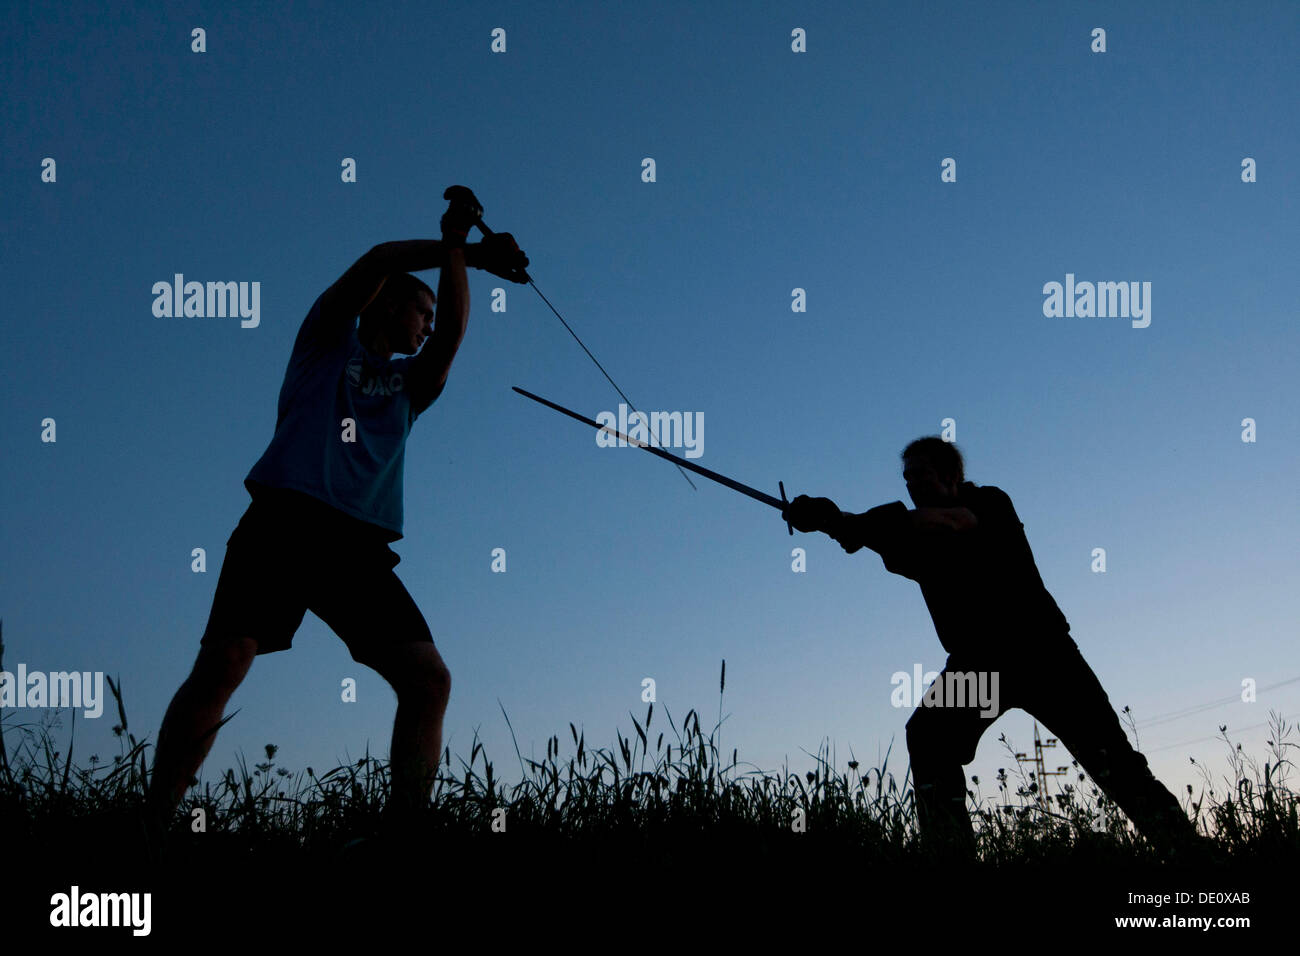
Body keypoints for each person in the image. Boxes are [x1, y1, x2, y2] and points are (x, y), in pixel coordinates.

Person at [146, 187, 528, 835]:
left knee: (428, 681)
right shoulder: (326, 341)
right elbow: (378, 256)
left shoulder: (411, 386)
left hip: (354, 550)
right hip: (282, 526)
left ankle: (404, 833)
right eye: (421, 307)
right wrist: (455, 245)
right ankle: (151, 823)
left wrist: (470, 263)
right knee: (226, 660)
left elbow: (452, 340)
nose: (428, 322)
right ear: (386, 303)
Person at [782, 436, 1200, 860]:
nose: (911, 485)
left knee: (1114, 762)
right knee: (929, 737)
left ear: (951, 475)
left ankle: (1190, 854)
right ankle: (951, 856)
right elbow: (882, 536)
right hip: (978, 667)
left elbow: (947, 523)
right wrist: (830, 522)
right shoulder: (912, 537)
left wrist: (856, 521)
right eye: (906, 478)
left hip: (1043, 654)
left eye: (920, 475)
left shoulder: (990, 503)